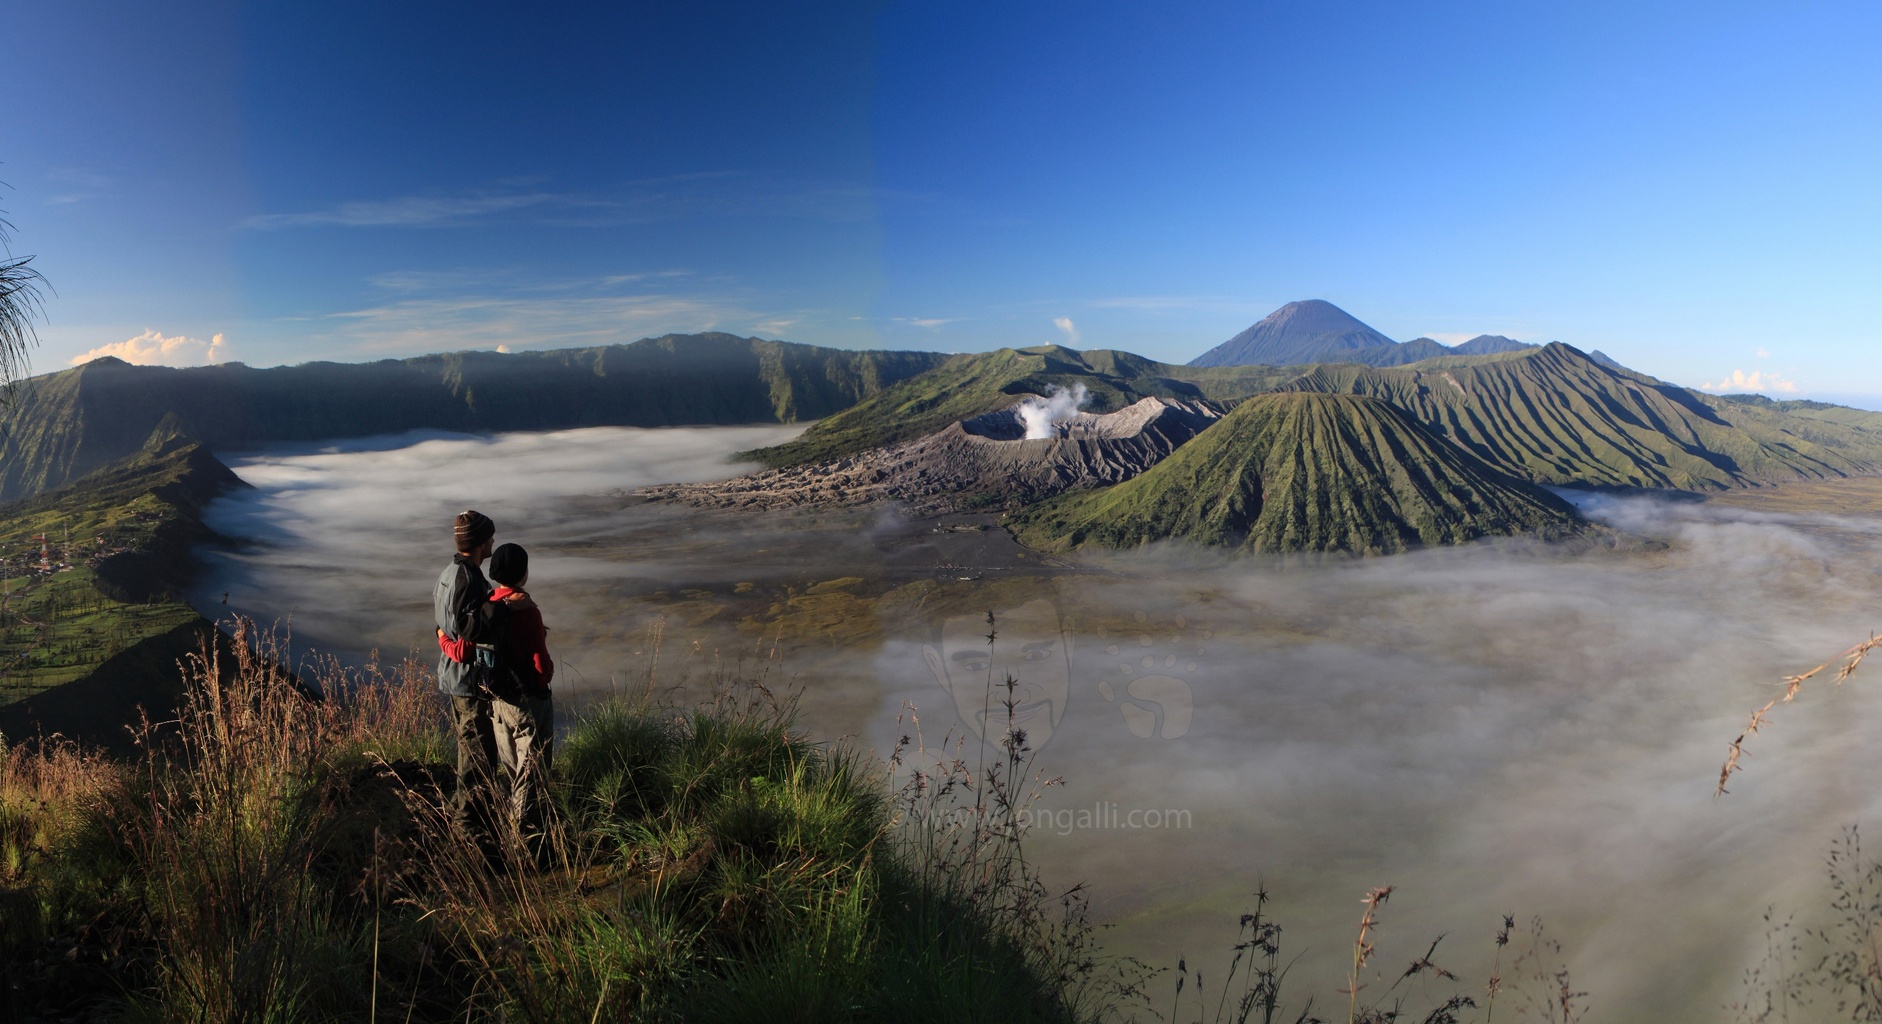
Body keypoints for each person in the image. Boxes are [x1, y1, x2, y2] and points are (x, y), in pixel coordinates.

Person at [434, 509, 500, 846]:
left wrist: (444, 640)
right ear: (477, 543)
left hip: (456, 676)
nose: (492, 542)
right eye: (489, 537)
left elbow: (443, 625)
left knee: (470, 747)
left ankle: (464, 816)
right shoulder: (468, 578)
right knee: (477, 754)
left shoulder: (449, 573)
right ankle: (468, 832)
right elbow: (467, 626)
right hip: (468, 679)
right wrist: (500, 607)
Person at [483, 542, 555, 840]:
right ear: (522, 573)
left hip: (498, 700)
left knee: (514, 771)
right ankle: (523, 844)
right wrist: (545, 677)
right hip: (529, 702)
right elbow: (540, 663)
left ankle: (516, 832)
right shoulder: (526, 609)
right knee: (532, 776)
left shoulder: (487, 604)